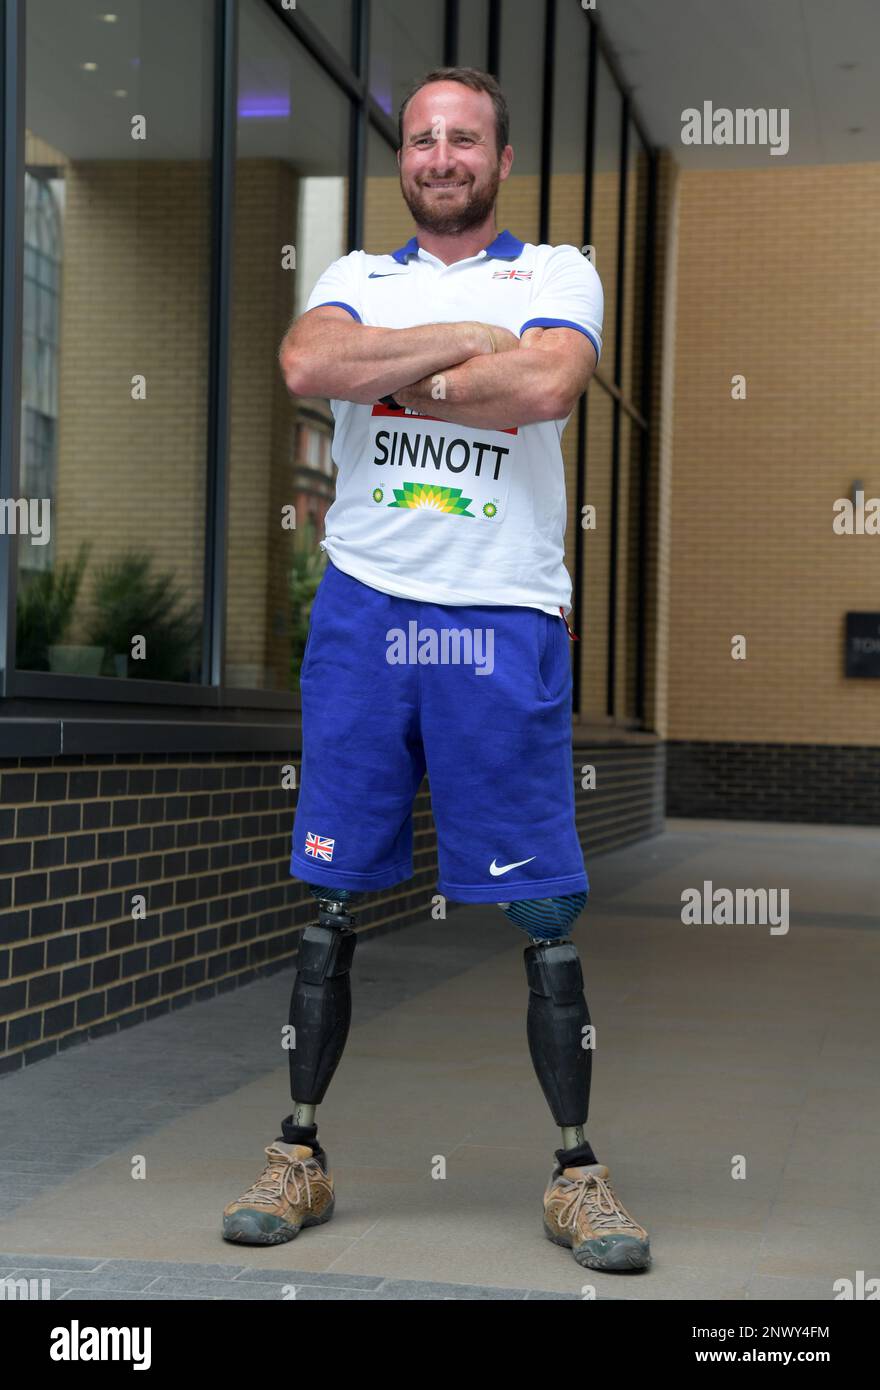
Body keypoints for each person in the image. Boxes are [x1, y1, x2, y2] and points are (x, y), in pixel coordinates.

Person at [222, 66, 651, 1274]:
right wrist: (470, 347)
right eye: (422, 139)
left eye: (464, 139)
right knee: (333, 894)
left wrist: (398, 371)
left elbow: (551, 382)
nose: (442, 156)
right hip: (364, 612)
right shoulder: (353, 278)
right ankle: (297, 1150)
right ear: (401, 160)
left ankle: (577, 1175)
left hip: (501, 614)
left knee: (540, 905)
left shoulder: (558, 272)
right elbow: (308, 368)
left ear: (501, 159)